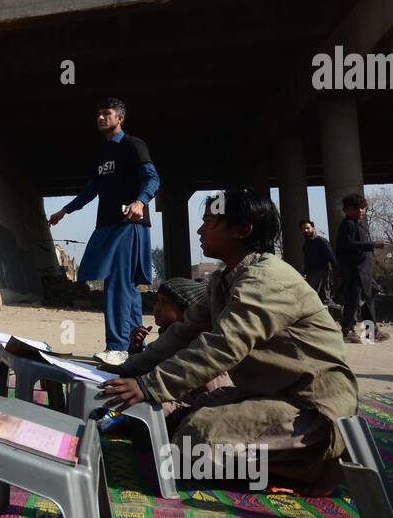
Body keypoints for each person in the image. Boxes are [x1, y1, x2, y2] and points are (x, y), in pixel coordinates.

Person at [98, 188, 358, 495]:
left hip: (311, 410)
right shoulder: (223, 281)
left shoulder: (268, 279)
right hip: (266, 395)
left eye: (209, 221)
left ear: (243, 230)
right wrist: (130, 371)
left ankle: (313, 468)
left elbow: (222, 345)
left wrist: (149, 386)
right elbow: (183, 333)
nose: (200, 229)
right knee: (174, 416)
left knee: (194, 440)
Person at [48, 98, 160, 355]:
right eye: (98, 114)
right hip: (107, 225)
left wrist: (140, 202)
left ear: (119, 118)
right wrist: (66, 210)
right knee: (128, 288)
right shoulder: (101, 152)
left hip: (129, 225)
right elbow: (92, 189)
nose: (100, 118)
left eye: (106, 114)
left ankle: (117, 348)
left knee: (118, 285)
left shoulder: (133, 145)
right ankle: (134, 346)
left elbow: (153, 179)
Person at [335, 194, 390, 343]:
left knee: (369, 300)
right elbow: (349, 245)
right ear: (346, 210)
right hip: (355, 272)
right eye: (355, 208)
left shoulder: (357, 225)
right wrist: (373, 244)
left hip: (364, 272)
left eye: (362, 208)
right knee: (353, 301)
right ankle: (347, 331)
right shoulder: (348, 225)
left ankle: (371, 332)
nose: (360, 211)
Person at [128, 277, 207, 353]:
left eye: (164, 303)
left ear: (186, 311)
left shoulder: (188, 347)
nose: (156, 307)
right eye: (158, 301)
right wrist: (135, 348)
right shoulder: (165, 339)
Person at [300, 220, 339, 305]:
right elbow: (307, 260)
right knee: (312, 297)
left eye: (307, 228)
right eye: (303, 229)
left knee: (325, 298)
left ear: (313, 228)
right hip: (311, 274)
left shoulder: (321, 241)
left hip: (323, 273)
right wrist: (305, 273)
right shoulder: (306, 244)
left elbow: (331, 256)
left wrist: (337, 271)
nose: (305, 230)